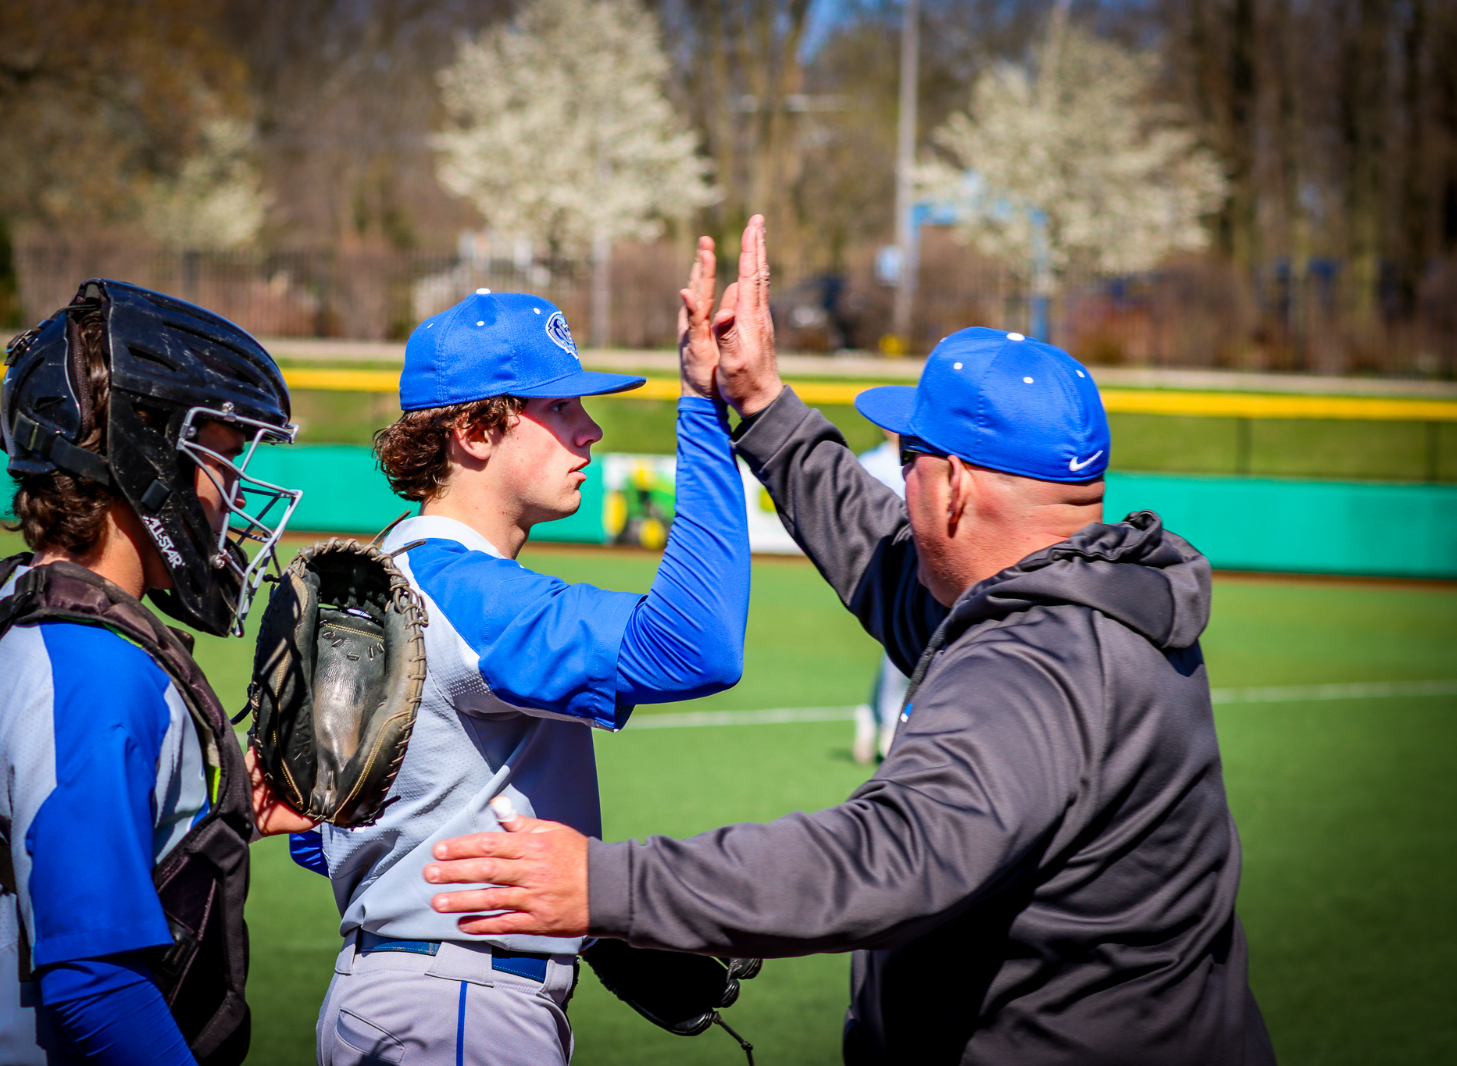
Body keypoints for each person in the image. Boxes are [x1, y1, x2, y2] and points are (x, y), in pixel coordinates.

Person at [421, 217, 1276, 1066]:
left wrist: (609, 887)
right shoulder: (1091, 599)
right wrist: (758, 405)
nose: (897, 483)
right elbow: (893, 564)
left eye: (910, 458)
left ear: (957, 487)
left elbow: (891, 855)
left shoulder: (1035, 663)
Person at [290, 264, 749, 1066]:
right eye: (560, 408)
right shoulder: (473, 596)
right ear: (474, 431)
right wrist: (705, 413)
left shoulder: (376, 572)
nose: (590, 431)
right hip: (461, 1014)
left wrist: (592, 930)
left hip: (386, 996)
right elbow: (696, 645)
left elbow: (318, 833)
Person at [0, 280, 315, 1065]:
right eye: (222, 458)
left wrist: (202, 820)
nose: (234, 494)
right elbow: (93, 981)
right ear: (146, 456)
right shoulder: (95, 670)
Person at [851, 430, 906, 765]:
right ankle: (888, 725)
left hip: (914, 564)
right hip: (884, 566)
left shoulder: (922, 460)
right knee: (899, 645)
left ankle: (872, 717)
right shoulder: (872, 463)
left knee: (896, 646)